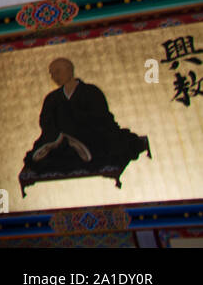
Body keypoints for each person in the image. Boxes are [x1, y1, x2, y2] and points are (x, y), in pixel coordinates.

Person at [21, 57, 149, 191]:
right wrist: (57, 135)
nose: (55, 76)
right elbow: (45, 121)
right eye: (52, 73)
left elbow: (101, 116)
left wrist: (75, 125)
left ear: (70, 70)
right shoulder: (52, 98)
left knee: (108, 146)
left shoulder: (91, 91)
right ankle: (63, 145)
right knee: (44, 155)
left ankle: (78, 146)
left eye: (58, 72)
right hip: (58, 138)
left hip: (90, 135)